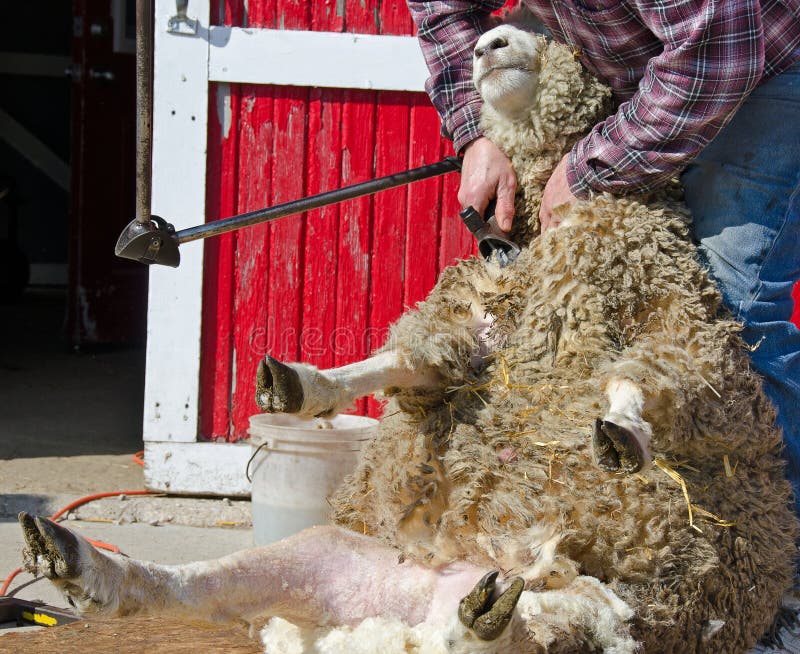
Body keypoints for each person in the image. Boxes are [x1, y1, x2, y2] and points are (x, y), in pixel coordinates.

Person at [406, 1, 800, 513]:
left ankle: (776, 544)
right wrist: (478, 133)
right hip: (632, 76)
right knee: (574, 307)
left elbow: (717, 53)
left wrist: (590, 170)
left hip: (754, 69)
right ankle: (641, 520)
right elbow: (444, 11)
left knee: (727, 314)